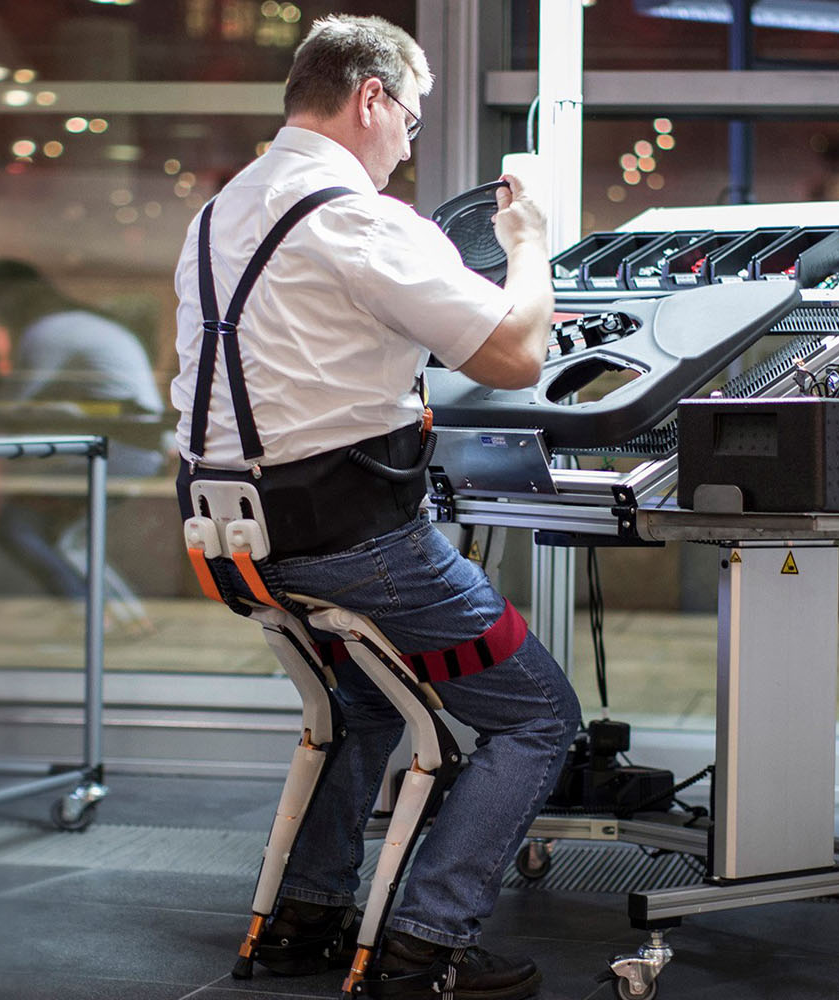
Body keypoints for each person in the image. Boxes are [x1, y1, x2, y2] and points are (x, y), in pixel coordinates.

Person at [170, 15, 578, 1000]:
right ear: (368, 99)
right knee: (536, 716)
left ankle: (307, 912)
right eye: (411, 116)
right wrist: (529, 244)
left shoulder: (221, 213)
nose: (408, 141)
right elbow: (517, 353)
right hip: (355, 543)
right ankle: (425, 943)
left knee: (361, 691)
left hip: (232, 540)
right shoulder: (355, 218)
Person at [0, 258, 165, 633]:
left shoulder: (49, 332)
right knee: (67, 537)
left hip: (120, 449)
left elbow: (15, 401)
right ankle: (125, 618)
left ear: (5, 294)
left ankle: (98, 619)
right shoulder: (71, 326)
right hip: (132, 448)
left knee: (31, 529)